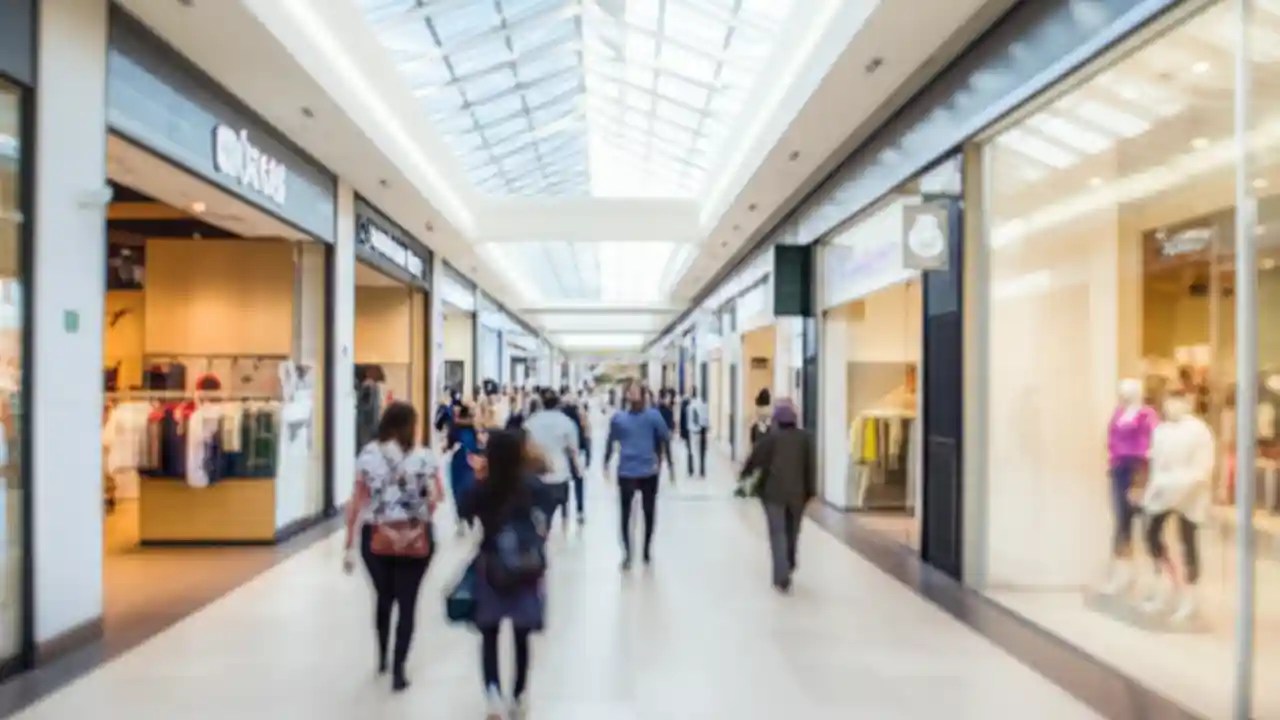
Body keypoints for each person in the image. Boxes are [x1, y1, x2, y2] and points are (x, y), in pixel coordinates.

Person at [344, 402, 441, 691]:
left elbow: (357, 501)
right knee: (408, 602)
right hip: (416, 537)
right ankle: (399, 669)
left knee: (384, 597)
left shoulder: (368, 455)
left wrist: (348, 542)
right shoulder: (425, 457)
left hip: (376, 537)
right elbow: (436, 499)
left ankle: (382, 658)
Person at [459, 430, 552, 719]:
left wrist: (478, 476)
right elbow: (547, 512)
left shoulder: (484, 487)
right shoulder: (531, 485)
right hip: (526, 568)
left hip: (491, 566)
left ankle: (493, 695)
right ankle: (519, 694)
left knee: (489, 634)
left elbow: (464, 509)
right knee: (522, 635)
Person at [739, 399, 814, 593]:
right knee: (792, 532)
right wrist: (811, 491)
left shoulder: (771, 438)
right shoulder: (805, 438)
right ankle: (788, 563)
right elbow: (810, 467)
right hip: (798, 495)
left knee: (777, 533)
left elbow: (755, 458)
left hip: (773, 495)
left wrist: (744, 475)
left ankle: (782, 574)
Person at [605, 383, 671, 569]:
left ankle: (646, 550)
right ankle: (627, 553)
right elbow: (610, 440)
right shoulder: (618, 418)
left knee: (648, 512)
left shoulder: (653, 416)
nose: (633, 395)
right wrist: (606, 461)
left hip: (648, 470)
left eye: (636, 392)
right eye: (630, 392)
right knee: (625, 514)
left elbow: (665, 438)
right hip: (626, 470)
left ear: (644, 395)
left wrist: (667, 462)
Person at [524, 390, 582, 530]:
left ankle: (541, 537)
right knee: (554, 509)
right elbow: (574, 451)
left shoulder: (530, 422)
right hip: (559, 474)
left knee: (538, 514)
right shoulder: (567, 423)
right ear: (558, 404)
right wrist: (578, 470)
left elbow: (525, 447)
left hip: (536, 475)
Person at [446, 404, 482, 536]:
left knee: (457, 491)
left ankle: (461, 519)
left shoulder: (454, 428)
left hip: (457, 463)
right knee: (471, 489)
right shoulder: (473, 429)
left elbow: (448, 446)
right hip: (472, 463)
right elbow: (478, 447)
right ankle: (470, 517)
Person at [686, 387, 709, 478]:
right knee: (701, 452)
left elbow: (688, 420)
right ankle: (701, 471)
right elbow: (705, 419)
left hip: (692, 431)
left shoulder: (690, 406)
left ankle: (693, 471)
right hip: (701, 431)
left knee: (693, 451)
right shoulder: (703, 404)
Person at [656, 390, 677, 483]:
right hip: (661, 434)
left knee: (667, 454)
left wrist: (671, 431)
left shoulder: (667, 409)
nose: (668, 400)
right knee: (660, 455)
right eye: (667, 398)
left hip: (665, 434)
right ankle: (659, 473)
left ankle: (671, 473)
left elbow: (671, 422)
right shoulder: (660, 409)